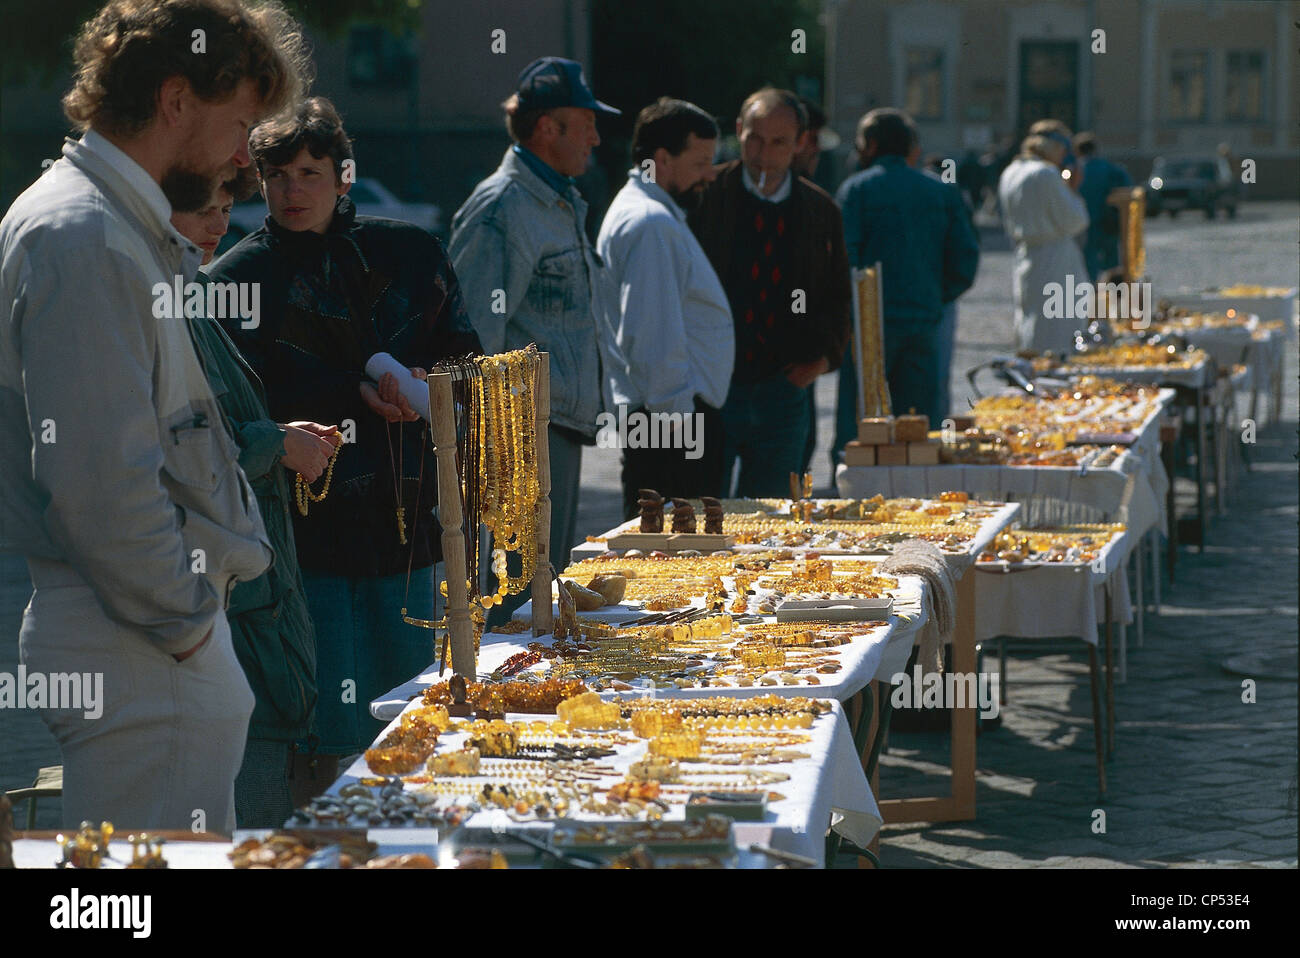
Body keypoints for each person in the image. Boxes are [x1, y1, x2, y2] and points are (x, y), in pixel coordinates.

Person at [0, 0, 306, 832]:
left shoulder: (107, 224)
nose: (245, 154)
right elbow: (101, 486)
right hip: (136, 641)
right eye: (239, 120)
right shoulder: (85, 234)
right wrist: (188, 632)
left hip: (138, 638)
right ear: (176, 101)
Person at [206, 97, 483, 795]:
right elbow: (232, 409)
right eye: (276, 174)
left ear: (342, 175)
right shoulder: (237, 281)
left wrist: (427, 385)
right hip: (304, 539)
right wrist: (345, 398)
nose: (292, 190)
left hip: (408, 521)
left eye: (309, 171)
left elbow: (471, 363)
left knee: (411, 722)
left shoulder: (409, 253)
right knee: (324, 728)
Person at [171, 170, 332, 827]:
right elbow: (183, 454)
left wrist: (283, 437)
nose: (219, 223)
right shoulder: (162, 300)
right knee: (246, 803)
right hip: (223, 594)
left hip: (253, 588)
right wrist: (279, 444)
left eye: (227, 207)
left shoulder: (193, 291)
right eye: (203, 209)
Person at [449, 57, 620, 571]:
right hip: (518, 440)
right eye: (587, 124)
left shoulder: (553, 199)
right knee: (517, 608)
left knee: (541, 596)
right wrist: (496, 447)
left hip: (550, 428)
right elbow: (471, 336)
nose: (595, 138)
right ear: (548, 128)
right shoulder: (504, 208)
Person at [689, 88, 851, 498]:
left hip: (783, 390)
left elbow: (837, 296)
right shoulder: (706, 196)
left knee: (769, 520)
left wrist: (821, 360)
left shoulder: (819, 211)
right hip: (712, 390)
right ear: (740, 132)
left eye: (779, 142)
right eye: (755, 140)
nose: (764, 154)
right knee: (700, 515)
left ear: (800, 144)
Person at [596, 98, 732, 518]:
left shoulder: (650, 215)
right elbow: (652, 334)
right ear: (662, 160)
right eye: (701, 162)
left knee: (671, 564)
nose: (711, 174)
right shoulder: (649, 223)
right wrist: (677, 426)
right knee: (673, 564)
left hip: (668, 419)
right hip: (671, 424)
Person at [831, 108, 980, 466]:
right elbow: (965, 260)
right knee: (916, 433)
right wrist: (934, 298)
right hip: (921, 323)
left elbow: (841, 260)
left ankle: (858, 503)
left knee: (862, 433)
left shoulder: (857, 189)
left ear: (870, 145)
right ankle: (916, 506)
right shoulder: (940, 190)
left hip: (869, 329)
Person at [997, 123, 1089, 354]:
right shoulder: (1046, 174)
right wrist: (1072, 189)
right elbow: (1075, 220)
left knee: (1032, 318)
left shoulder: (1011, 171)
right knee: (1059, 326)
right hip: (1055, 257)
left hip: (1027, 255)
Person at [1073, 132, 1132, 281]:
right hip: (1108, 222)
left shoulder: (1076, 170)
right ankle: (1114, 292)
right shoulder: (1109, 168)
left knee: (1088, 260)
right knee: (1111, 261)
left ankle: (1091, 292)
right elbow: (1128, 189)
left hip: (1084, 223)